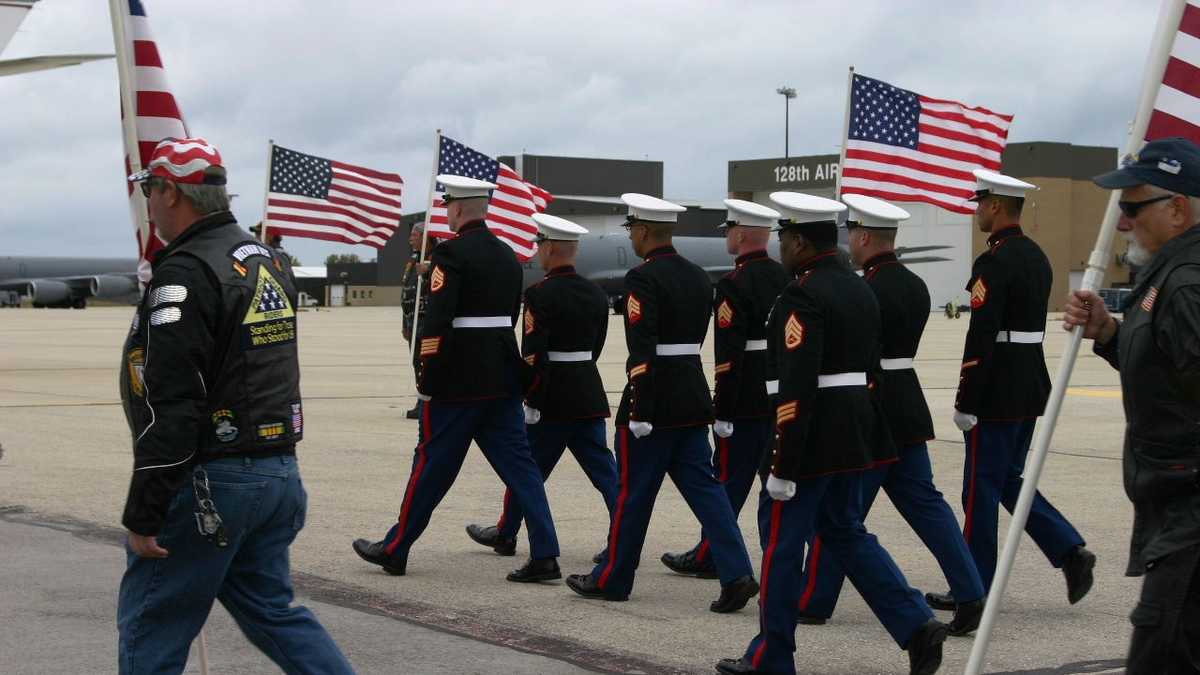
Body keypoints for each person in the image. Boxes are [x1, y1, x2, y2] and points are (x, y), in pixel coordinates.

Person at [118, 137, 352, 674]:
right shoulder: (266, 258)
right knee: (274, 612)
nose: (147, 203)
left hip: (211, 481)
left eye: (149, 190)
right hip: (277, 471)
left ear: (171, 192)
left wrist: (145, 507)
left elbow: (173, 401)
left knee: (151, 625)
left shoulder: (186, 271)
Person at [717, 192, 944, 675]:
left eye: (784, 237)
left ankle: (772, 655)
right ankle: (916, 624)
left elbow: (798, 381)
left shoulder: (802, 294)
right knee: (844, 530)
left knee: (781, 546)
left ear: (799, 241)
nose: (780, 246)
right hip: (855, 430)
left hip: (811, 435)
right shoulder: (860, 287)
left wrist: (782, 460)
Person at [353, 175, 561, 583]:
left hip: (456, 381)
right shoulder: (507, 254)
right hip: (501, 378)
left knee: (431, 466)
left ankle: (396, 549)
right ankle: (546, 552)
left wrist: (426, 378)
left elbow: (438, 321)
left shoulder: (450, 255)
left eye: (448, 205)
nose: (446, 212)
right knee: (522, 470)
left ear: (459, 208)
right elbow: (510, 319)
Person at [795, 194, 986, 635]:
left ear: (863, 237)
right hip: (907, 398)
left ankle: (815, 597)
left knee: (840, 513)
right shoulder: (914, 284)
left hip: (872, 401)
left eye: (853, 236)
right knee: (927, 506)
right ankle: (971, 590)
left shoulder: (865, 287)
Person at [565, 193, 759, 613]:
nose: (632, 236)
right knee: (709, 494)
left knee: (633, 495)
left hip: (653, 402)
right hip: (691, 394)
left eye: (633, 229)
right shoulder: (697, 276)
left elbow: (643, 347)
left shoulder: (642, 278)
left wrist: (640, 409)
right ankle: (737, 573)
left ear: (643, 231)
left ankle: (613, 578)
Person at [928, 170, 1096, 611]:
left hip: (997, 390)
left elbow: (982, 334)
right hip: (1028, 384)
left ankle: (973, 587)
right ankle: (1069, 551)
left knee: (979, 490)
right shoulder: (1036, 256)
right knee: (1007, 480)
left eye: (980, 203)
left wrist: (966, 399)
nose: (977, 210)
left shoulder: (994, 262)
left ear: (997, 206)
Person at [1063, 136, 1200, 674]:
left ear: (1178, 209)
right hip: (1176, 510)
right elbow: (1171, 373)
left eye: (1132, 207)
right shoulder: (1166, 278)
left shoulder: (1186, 284)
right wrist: (1109, 333)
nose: (1122, 222)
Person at [464, 213, 618, 558]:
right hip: (588, 393)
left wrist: (531, 396)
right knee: (606, 475)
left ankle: (506, 532)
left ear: (548, 249)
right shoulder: (596, 293)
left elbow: (534, 354)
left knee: (525, 471)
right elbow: (597, 345)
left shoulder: (539, 294)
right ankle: (620, 536)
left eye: (539, 246)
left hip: (551, 399)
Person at [660, 198, 790, 579]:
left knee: (727, 482)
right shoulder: (786, 278)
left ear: (744, 233)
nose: (728, 237)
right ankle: (775, 561)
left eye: (731, 230)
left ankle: (710, 554)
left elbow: (728, 355)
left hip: (746, 397)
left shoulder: (734, 284)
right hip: (779, 394)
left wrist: (724, 408)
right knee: (774, 484)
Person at [401, 221, 433, 419]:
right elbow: (407, 293)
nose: (410, 238)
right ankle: (421, 402)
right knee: (417, 363)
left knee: (427, 364)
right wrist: (405, 324)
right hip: (414, 323)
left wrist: (428, 271)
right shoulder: (413, 261)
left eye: (414, 235)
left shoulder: (434, 259)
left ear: (424, 237)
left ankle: (427, 404)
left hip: (428, 322)